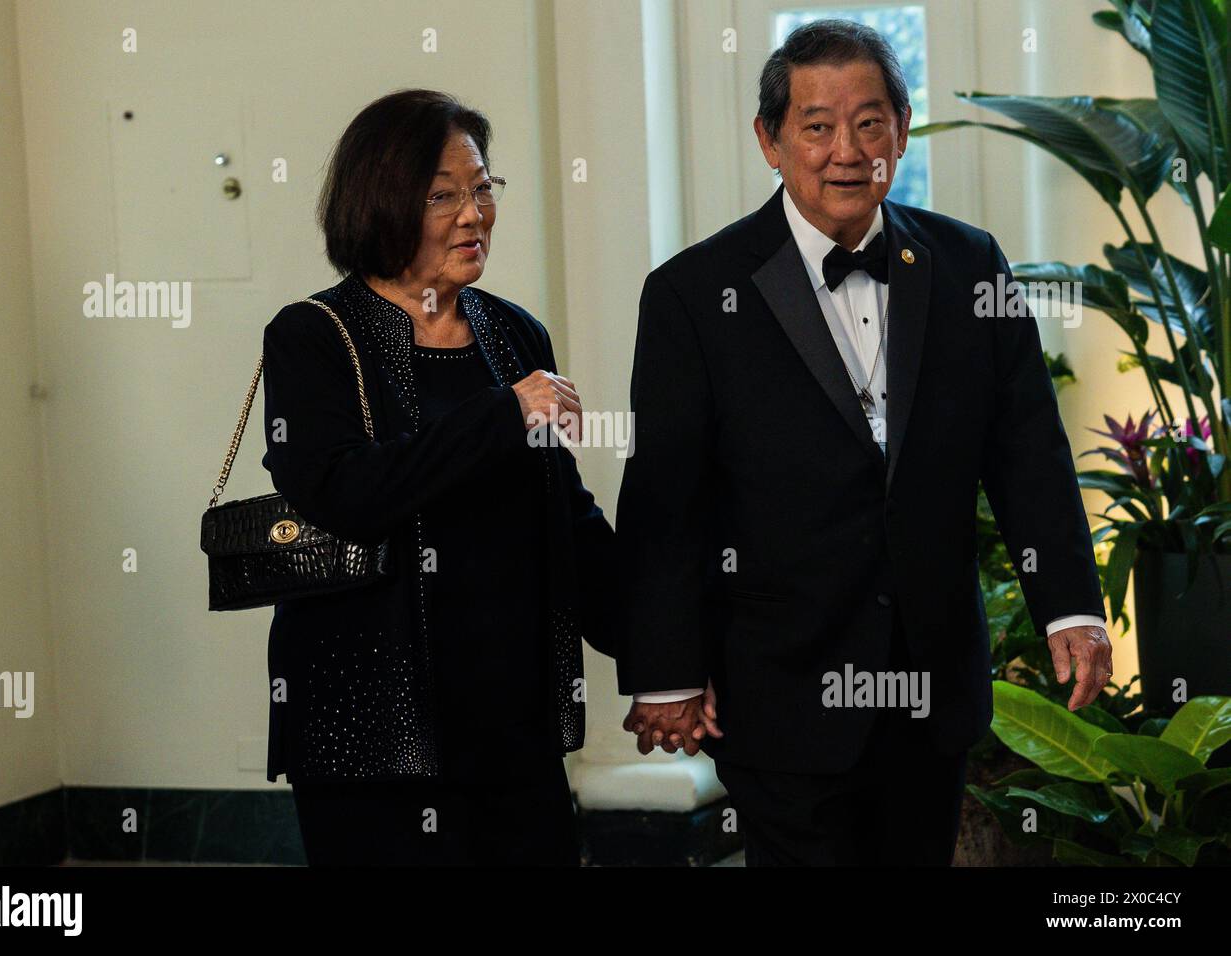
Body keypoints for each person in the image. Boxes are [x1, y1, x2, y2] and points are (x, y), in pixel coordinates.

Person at [616, 19, 1113, 866]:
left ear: (902, 129)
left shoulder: (970, 265)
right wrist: (666, 669)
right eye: (816, 126)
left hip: (933, 685)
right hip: (777, 688)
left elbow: (1028, 448)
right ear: (770, 141)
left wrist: (1068, 604)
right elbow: (667, 496)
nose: (846, 150)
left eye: (870, 122)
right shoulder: (694, 294)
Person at [260, 88, 615, 866]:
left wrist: (668, 662)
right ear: (382, 203)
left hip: (512, 721)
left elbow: (567, 516)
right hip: (373, 735)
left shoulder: (513, 331)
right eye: (443, 195)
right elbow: (344, 493)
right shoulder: (314, 335)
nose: (474, 213)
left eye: (483, 188)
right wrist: (501, 414)